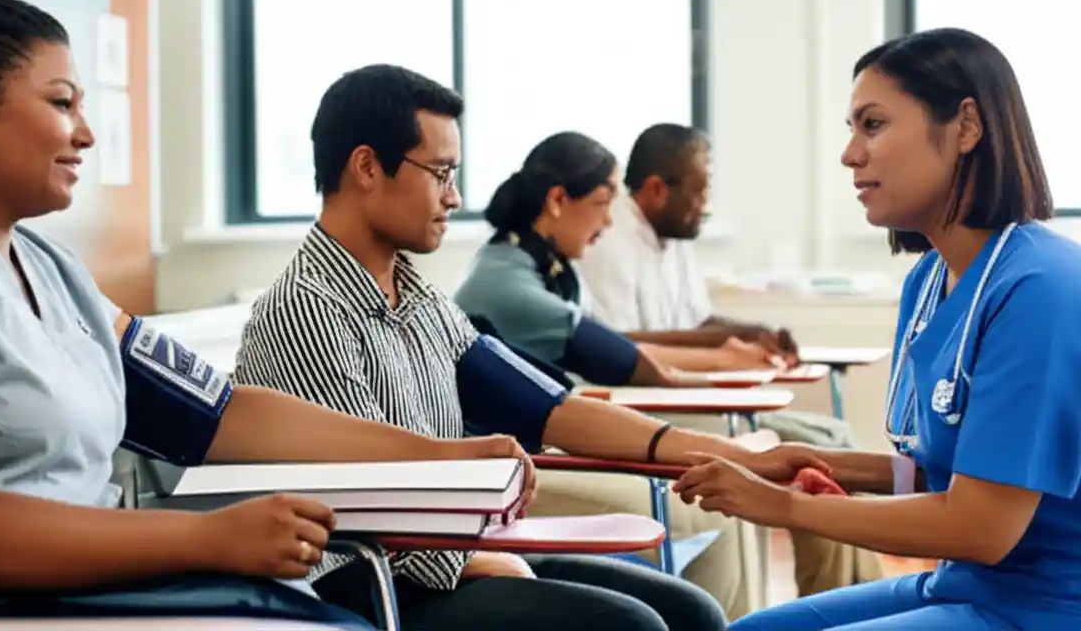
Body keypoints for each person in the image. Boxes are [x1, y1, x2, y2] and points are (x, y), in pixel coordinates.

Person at [0, 0, 531, 624]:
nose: (86, 133)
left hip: (53, 598)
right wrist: (209, 539)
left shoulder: (53, 271)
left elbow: (218, 413)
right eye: (61, 103)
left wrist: (439, 455)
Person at [232, 64, 828, 630]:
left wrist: (730, 457)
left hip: (456, 553)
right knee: (631, 626)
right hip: (370, 581)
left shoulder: (421, 302)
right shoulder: (304, 309)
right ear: (366, 167)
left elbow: (554, 408)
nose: (455, 196)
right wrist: (477, 562)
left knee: (691, 612)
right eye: (440, 172)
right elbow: (365, 500)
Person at [674, 27, 1081, 630]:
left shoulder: (1042, 288)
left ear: (966, 127)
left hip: (1044, 608)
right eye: (851, 129)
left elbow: (981, 526)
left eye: (873, 124)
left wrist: (782, 507)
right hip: (961, 586)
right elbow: (940, 470)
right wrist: (821, 461)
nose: (849, 154)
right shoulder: (927, 284)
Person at [452, 132, 882, 599]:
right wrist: (720, 367)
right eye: (601, 203)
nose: (607, 222)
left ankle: (851, 603)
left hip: (569, 425)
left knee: (759, 471)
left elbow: (609, 359)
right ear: (558, 201)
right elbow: (620, 357)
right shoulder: (508, 283)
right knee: (722, 494)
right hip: (539, 449)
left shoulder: (547, 267)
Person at [577, 124, 798, 362]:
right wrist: (729, 339)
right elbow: (617, 343)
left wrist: (758, 336)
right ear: (657, 189)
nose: (705, 205)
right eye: (698, 191)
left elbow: (698, 322)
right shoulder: (605, 240)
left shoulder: (675, 236)